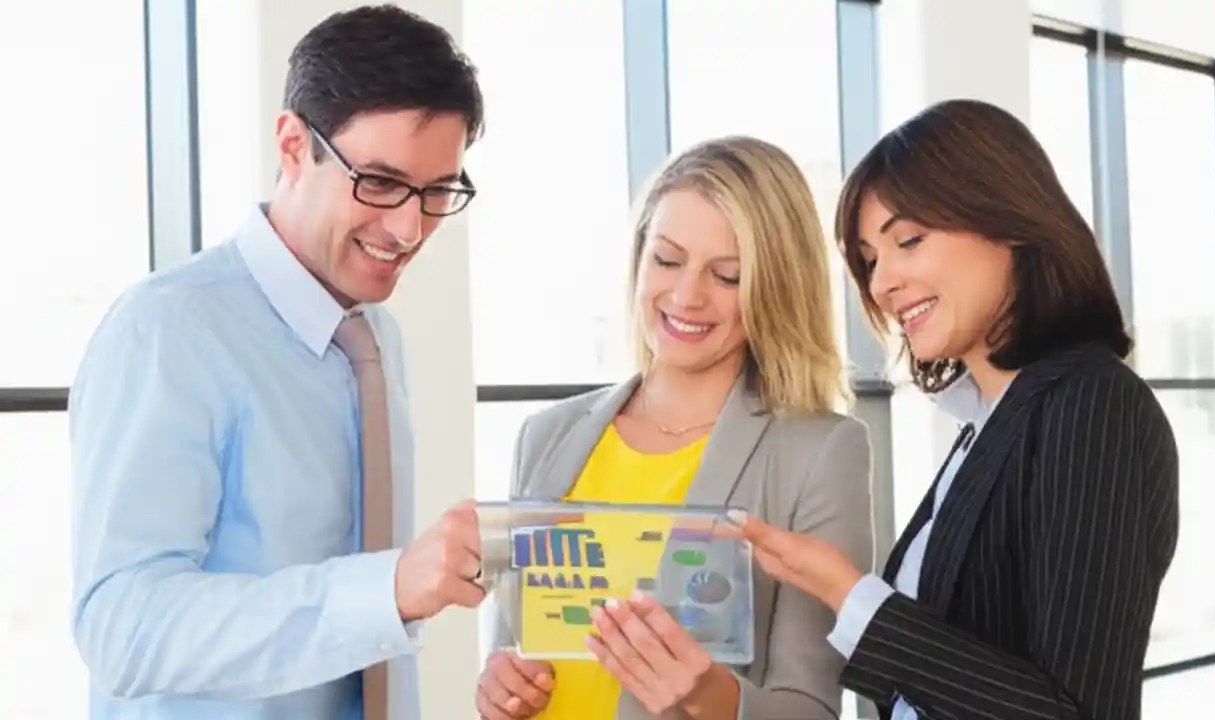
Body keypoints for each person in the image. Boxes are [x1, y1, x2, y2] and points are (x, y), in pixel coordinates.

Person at [68, 6, 486, 719]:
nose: (409, 228)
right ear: (294, 145)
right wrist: (386, 590)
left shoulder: (378, 342)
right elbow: (121, 626)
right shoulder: (170, 332)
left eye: (436, 191)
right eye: (380, 182)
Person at [736, 98, 1180, 720]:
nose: (882, 283)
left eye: (908, 241)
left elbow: (1073, 711)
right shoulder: (986, 423)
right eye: (869, 261)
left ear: (1012, 219)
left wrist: (852, 595)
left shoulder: (1090, 403)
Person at [474, 136, 878, 720]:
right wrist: (501, 688)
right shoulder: (547, 436)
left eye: (728, 275)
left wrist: (709, 698)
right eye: (666, 259)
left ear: (774, 284)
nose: (686, 295)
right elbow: (514, 649)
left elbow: (812, 707)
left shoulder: (819, 452)